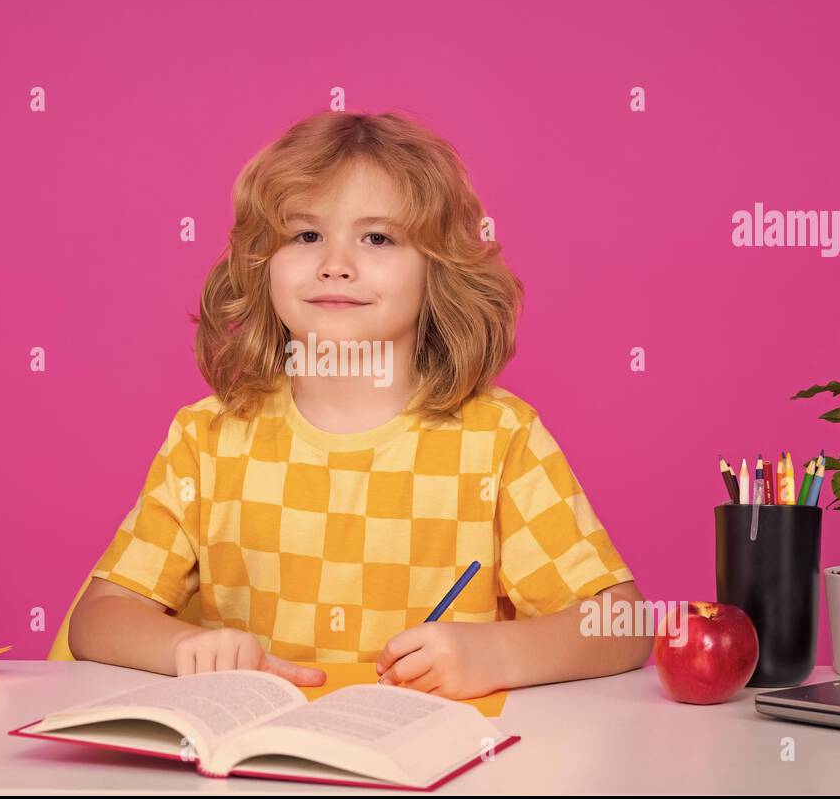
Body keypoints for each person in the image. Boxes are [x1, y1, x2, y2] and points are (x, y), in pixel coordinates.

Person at [67, 110, 651, 699]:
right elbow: (96, 619)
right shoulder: (207, 437)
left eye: (378, 238)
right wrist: (185, 649)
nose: (336, 265)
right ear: (261, 263)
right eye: (306, 235)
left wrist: (497, 653)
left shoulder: (500, 438)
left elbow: (623, 625)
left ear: (438, 269)